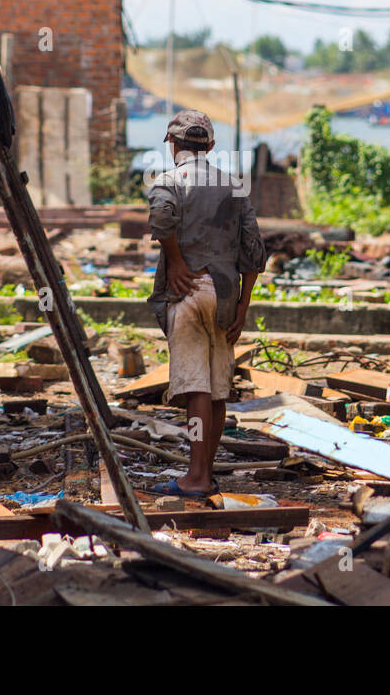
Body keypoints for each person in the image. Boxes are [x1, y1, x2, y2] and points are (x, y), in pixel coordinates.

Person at [146, 110, 266, 496]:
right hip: (227, 296)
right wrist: (244, 306)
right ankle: (206, 473)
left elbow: (161, 217)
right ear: (210, 146)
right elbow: (254, 249)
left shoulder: (169, 181)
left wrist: (177, 262)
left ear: (172, 145)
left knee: (196, 389)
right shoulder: (233, 186)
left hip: (189, 291)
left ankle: (195, 477)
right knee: (217, 390)